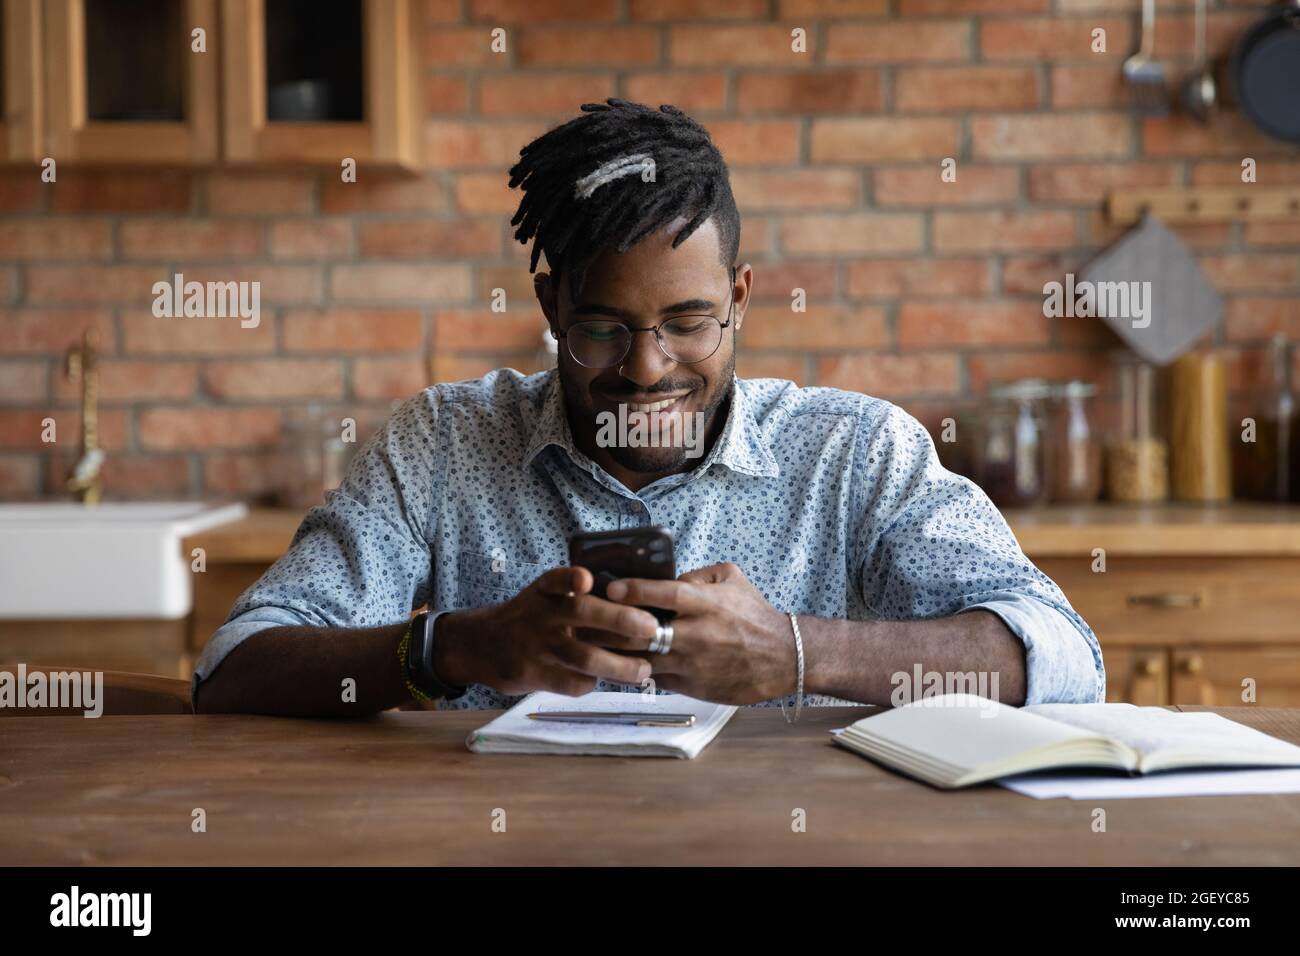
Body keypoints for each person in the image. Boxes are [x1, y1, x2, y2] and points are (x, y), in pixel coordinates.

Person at [193, 99, 1103, 716]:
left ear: (741, 299)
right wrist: (455, 648)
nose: (645, 369)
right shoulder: (443, 441)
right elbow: (233, 666)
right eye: (602, 328)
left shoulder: (853, 451)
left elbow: (1064, 658)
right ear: (550, 307)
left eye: (688, 322)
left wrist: (795, 652)